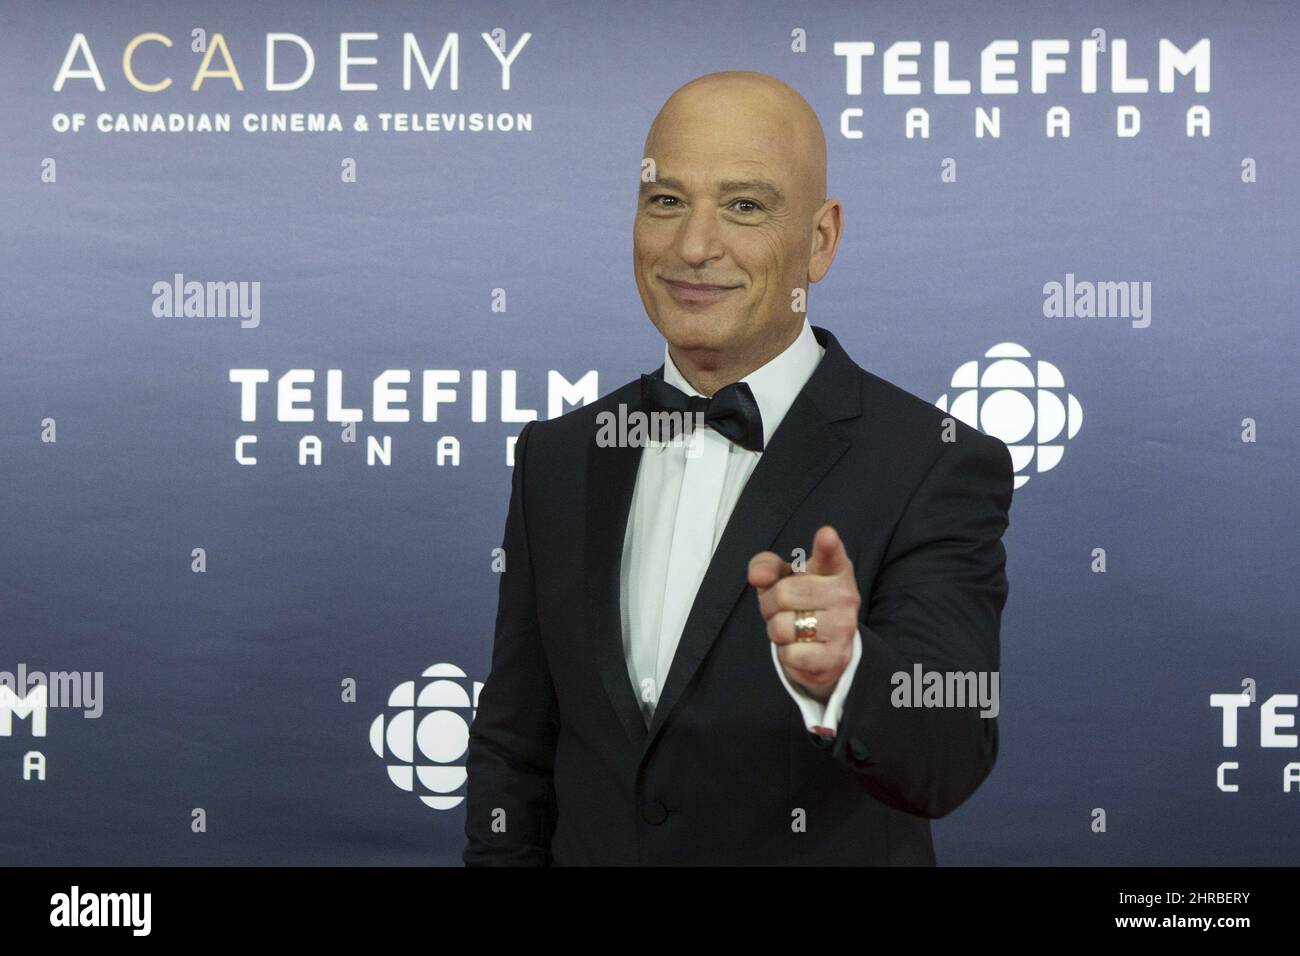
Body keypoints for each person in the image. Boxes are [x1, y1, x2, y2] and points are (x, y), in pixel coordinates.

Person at [463, 71, 1014, 865]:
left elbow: (951, 755)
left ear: (820, 240)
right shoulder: (558, 455)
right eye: (666, 201)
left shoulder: (934, 463)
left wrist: (847, 672)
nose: (694, 246)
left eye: (745, 206)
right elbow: (517, 749)